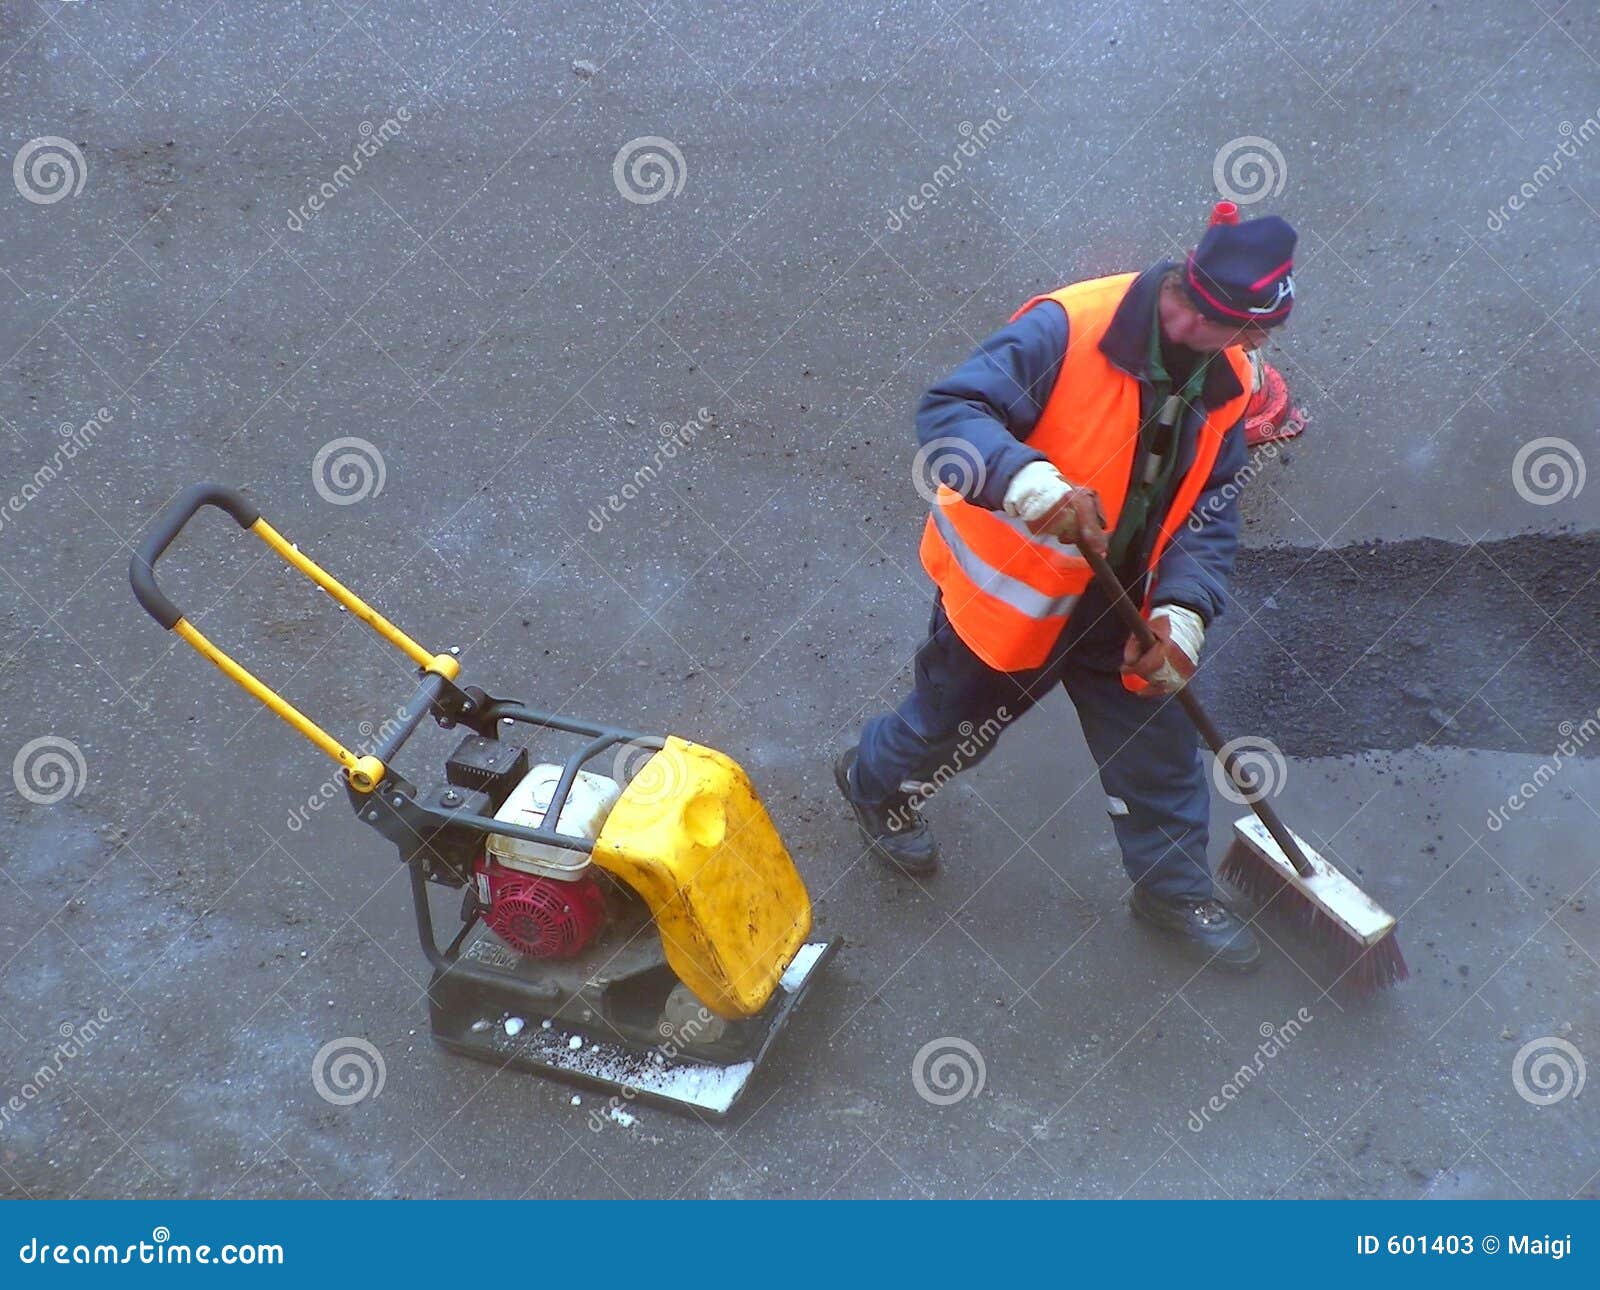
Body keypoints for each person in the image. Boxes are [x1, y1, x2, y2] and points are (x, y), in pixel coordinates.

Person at [835, 209, 1297, 973]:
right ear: (1183, 275)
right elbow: (949, 412)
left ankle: (1172, 890)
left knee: (1159, 752)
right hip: (1015, 598)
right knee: (950, 730)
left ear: (1251, 334)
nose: (1190, 324)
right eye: (1191, 305)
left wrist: (1183, 612)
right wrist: (1021, 479)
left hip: (1126, 606)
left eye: (1222, 327)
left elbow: (1210, 513)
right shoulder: (1067, 328)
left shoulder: (1232, 382)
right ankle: (872, 780)